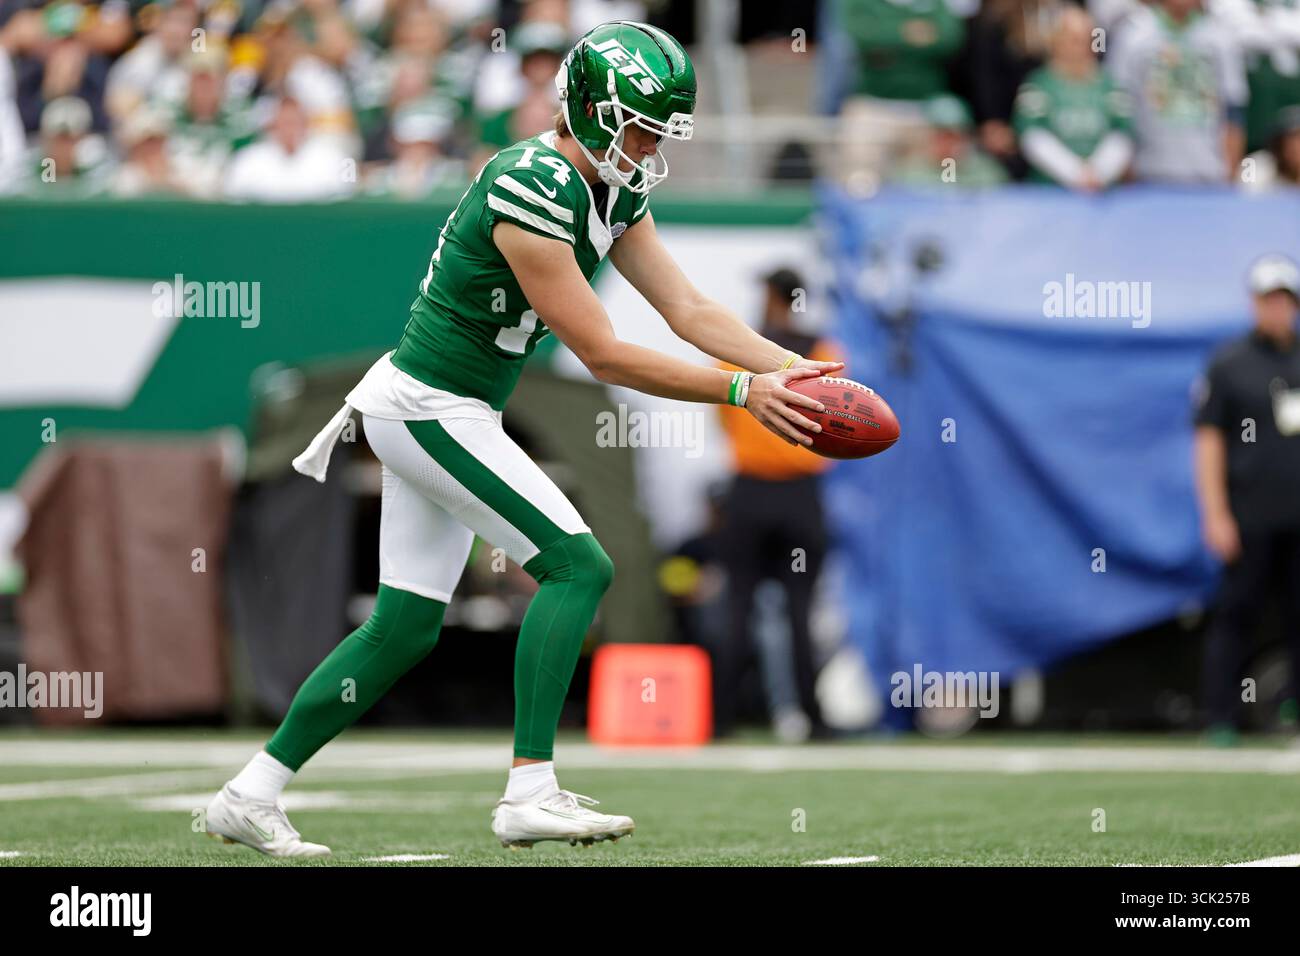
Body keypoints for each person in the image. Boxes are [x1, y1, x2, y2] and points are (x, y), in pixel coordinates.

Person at [203, 20, 842, 857]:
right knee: (581, 566)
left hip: (451, 407)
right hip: (428, 405)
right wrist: (739, 390)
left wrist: (793, 369)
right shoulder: (530, 183)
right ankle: (528, 790)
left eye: (659, 131)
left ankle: (249, 794)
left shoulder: (613, 187)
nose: (647, 146)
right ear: (586, 109)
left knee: (400, 632)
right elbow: (604, 352)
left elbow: (689, 311)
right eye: (638, 126)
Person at [714, 267, 841, 743]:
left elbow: (722, 414)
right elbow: (843, 419)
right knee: (799, 612)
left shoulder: (736, 351)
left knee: (737, 606)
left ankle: (720, 719)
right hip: (799, 496)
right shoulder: (823, 351)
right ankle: (813, 719)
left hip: (750, 491)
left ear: (774, 296)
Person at [1193, 253, 1300, 745]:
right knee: (1237, 614)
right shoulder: (1230, 364)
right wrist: (1216, 513)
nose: (1276, 308)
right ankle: (1220, 716)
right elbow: (1209, 442)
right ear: (1254, 303)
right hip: (1250, 515)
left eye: (1284, 298)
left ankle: (1293, 710)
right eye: (1268, 298)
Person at [1013, 7, 1135, 190]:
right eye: (1074, 39)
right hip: (1048, 191)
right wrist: (1074, 173)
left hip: (1102, 194)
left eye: (1088, 39)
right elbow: (1032, 136)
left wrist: (1099, 172)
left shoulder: (1109, 85)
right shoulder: (1039, 85)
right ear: (1056, 41)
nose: (1082, 47)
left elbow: (1122, 133)